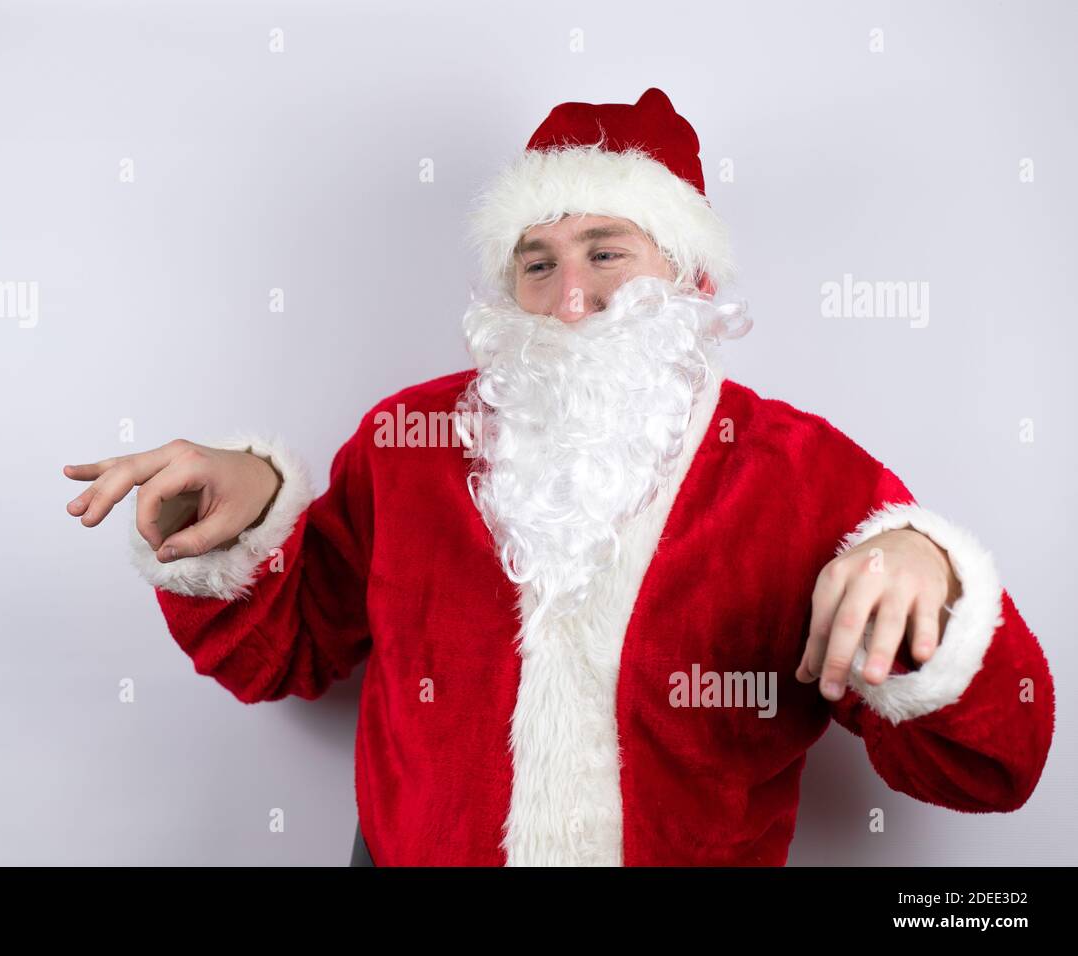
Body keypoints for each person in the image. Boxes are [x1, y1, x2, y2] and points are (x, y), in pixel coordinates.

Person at [62, 89, 1054, 867]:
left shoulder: (798, 474)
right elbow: (280, 659)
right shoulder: (408, 439)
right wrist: (230, 516)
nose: (568, 297)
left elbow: (989, 768)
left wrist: (930, 578)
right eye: (535, 262)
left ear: (691, 278)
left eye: (605, 251)